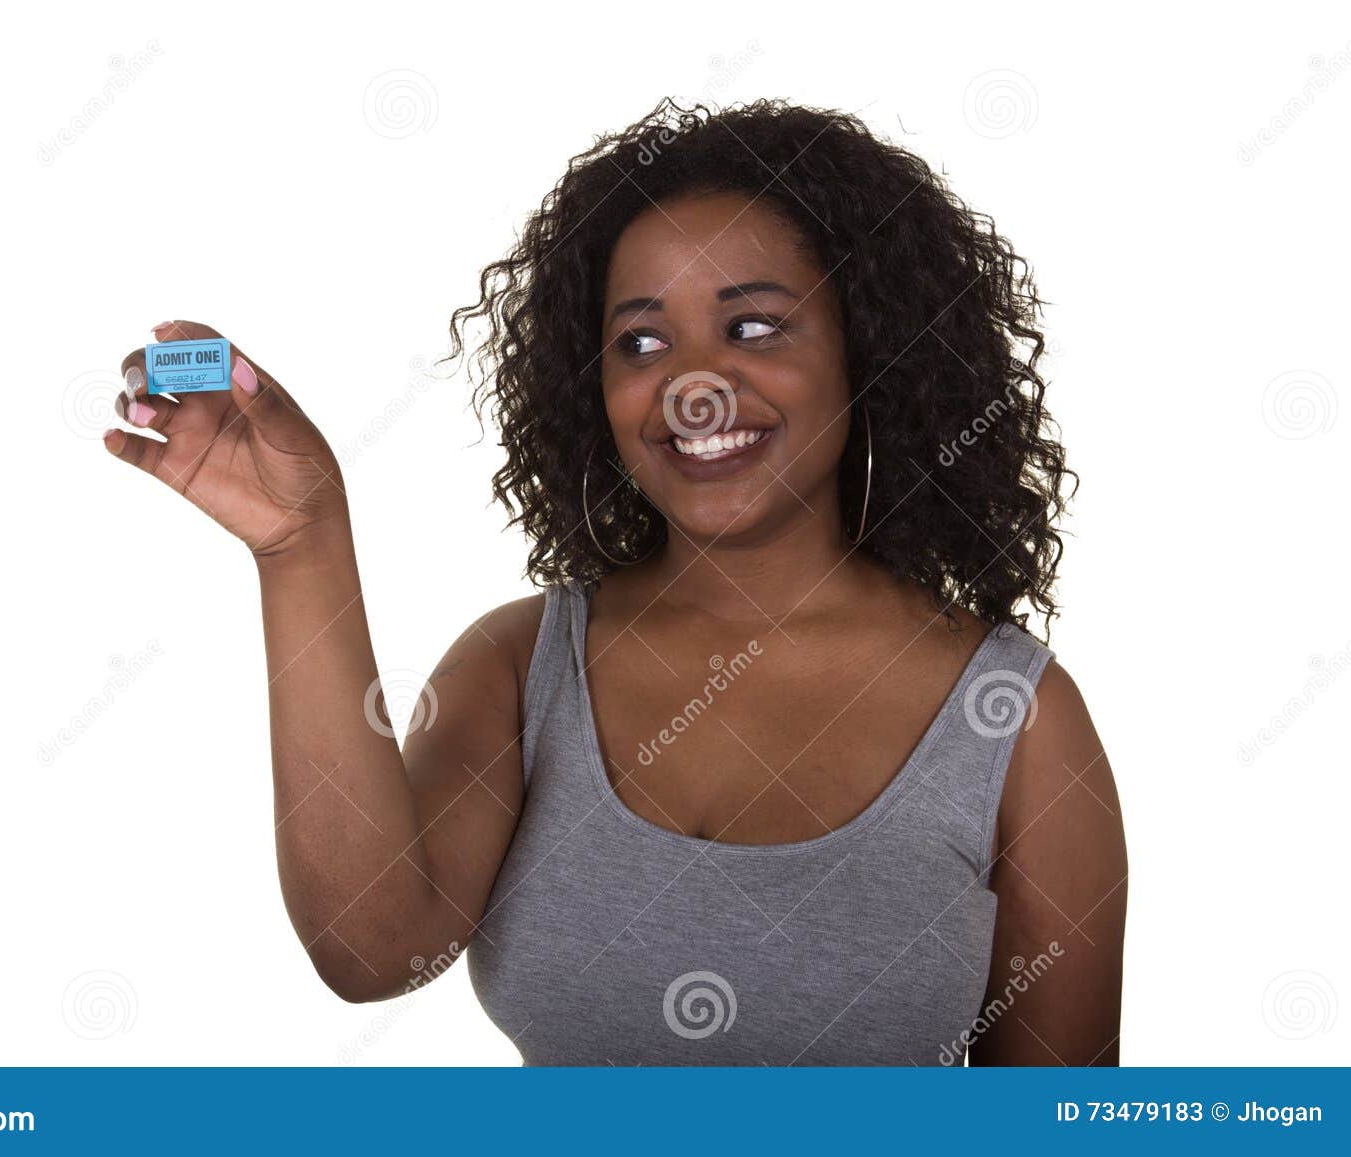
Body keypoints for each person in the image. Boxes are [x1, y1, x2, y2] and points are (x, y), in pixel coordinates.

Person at [104, 98, 1127, 1066]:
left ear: (866, 349)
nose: (690, 383)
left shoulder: (1014, 717)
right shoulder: (519, 663)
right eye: (640, 341)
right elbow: (372, 948)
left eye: (754, 325)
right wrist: (301, 543)